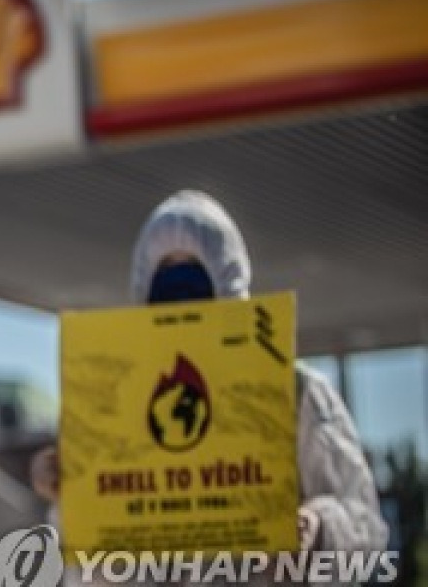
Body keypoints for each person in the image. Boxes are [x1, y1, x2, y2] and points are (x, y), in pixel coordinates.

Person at [30, 190, 388, 582]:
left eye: (194, 277)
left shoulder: (296, 391)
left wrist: (319, 528)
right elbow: (89, 570)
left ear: (227, 282)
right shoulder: (110, 402)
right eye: (166, 279)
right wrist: (68, 496)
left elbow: (366, 527)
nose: (181, 297)